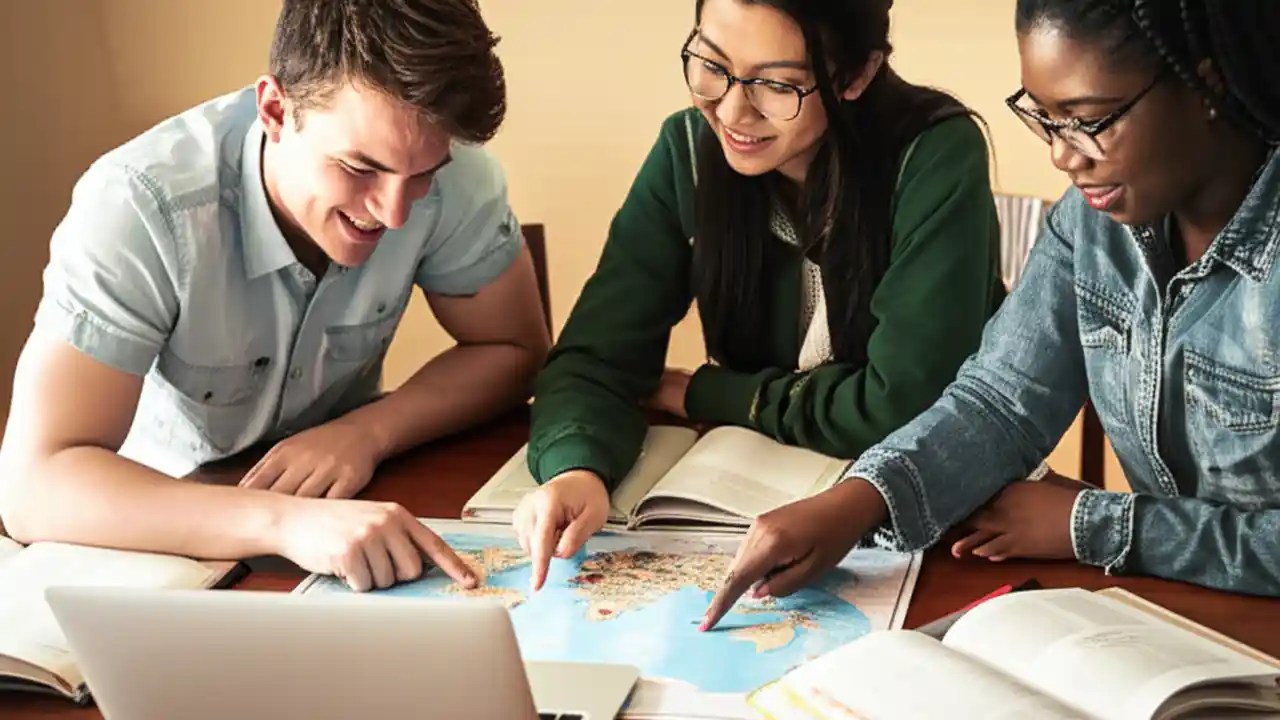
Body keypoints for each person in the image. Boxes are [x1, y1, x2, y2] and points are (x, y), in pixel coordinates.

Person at [704, 0, 1280, 628]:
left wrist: (1096, 524)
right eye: (1046, 118)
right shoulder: (1090, 224)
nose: (1063, 156)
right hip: (1180, 618)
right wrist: (857, 502)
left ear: (1206, 84)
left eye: (1089, 120)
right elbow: (1001, 403)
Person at [0, 0, 551, 593]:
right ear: (275, 111)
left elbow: (513, 348)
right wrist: (287, 522)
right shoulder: (140, 206)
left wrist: (368, 433)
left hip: (342, 512)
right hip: (155, 535)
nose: (394, 213)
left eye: (422, 176)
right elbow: (33, 486)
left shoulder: (453, 170)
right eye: (358, 167)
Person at [516, 0, 1003, 590]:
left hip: (926, 516)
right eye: (712, 64)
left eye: (776, 84)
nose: (731, 111)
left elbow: (905, 407)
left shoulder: (932, 155)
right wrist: (576, 469)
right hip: (751, 507)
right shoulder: (687, 151)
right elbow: (594, 357)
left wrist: (711, 393)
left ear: (857, 74)